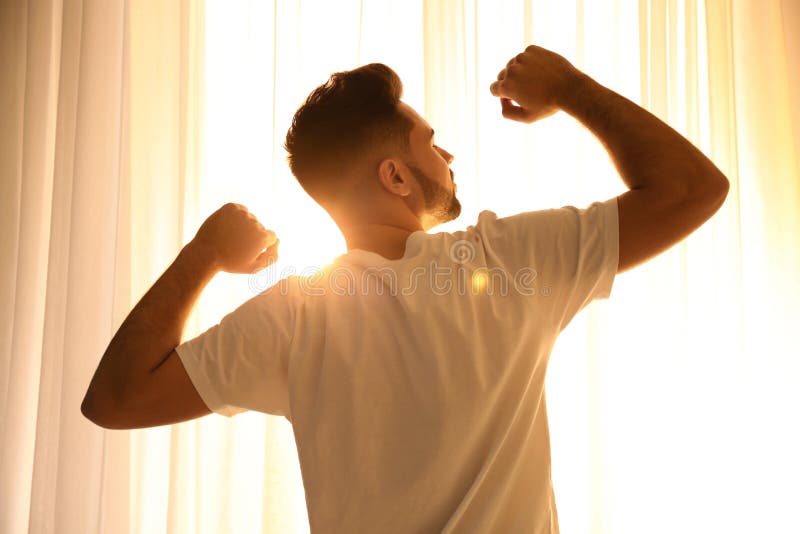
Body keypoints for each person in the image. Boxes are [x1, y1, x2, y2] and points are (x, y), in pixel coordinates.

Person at [82, 45, 729, 532]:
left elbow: (116, 399)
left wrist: (204, 254)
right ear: (395, 175)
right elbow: (692, 189)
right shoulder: (507, 260)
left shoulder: (294, 317)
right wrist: (570, 88)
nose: (448, 159)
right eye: (432, 144)